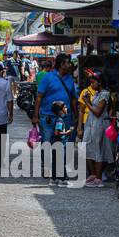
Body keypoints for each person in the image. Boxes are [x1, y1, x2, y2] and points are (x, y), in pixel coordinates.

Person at [34, 53, 77, 183]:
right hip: (48, 116)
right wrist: (35, 116)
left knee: (62, 144)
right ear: (61, 64)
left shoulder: (70, 79)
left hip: (65, 117)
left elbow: (74, 99)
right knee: (47, 143)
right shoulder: (48, 77)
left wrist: (77, 116)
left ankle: (60, 171)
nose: (69, 65)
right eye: (67, 63)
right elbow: (39, 97)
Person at [81, 72, 112, 187]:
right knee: (86, 146)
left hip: (99, 124)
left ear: (100, 83)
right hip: (91, 124)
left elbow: (98, 112)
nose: (91, 84)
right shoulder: (98, 94)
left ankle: (98, 178)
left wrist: (87, 102)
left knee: (98, 150)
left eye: (93, 82)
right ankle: (94, 174)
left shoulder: (105, 94)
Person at [49, 100, 72, 186]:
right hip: (59, 143)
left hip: (54, 143)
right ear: (60, 110)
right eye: (65, 107)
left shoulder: (56, 119)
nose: (66, 109)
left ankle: (53, 179)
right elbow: (57, 133)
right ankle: (62, 179)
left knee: (55, 161)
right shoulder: (60, 120)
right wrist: (67, 132)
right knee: (61, 162)